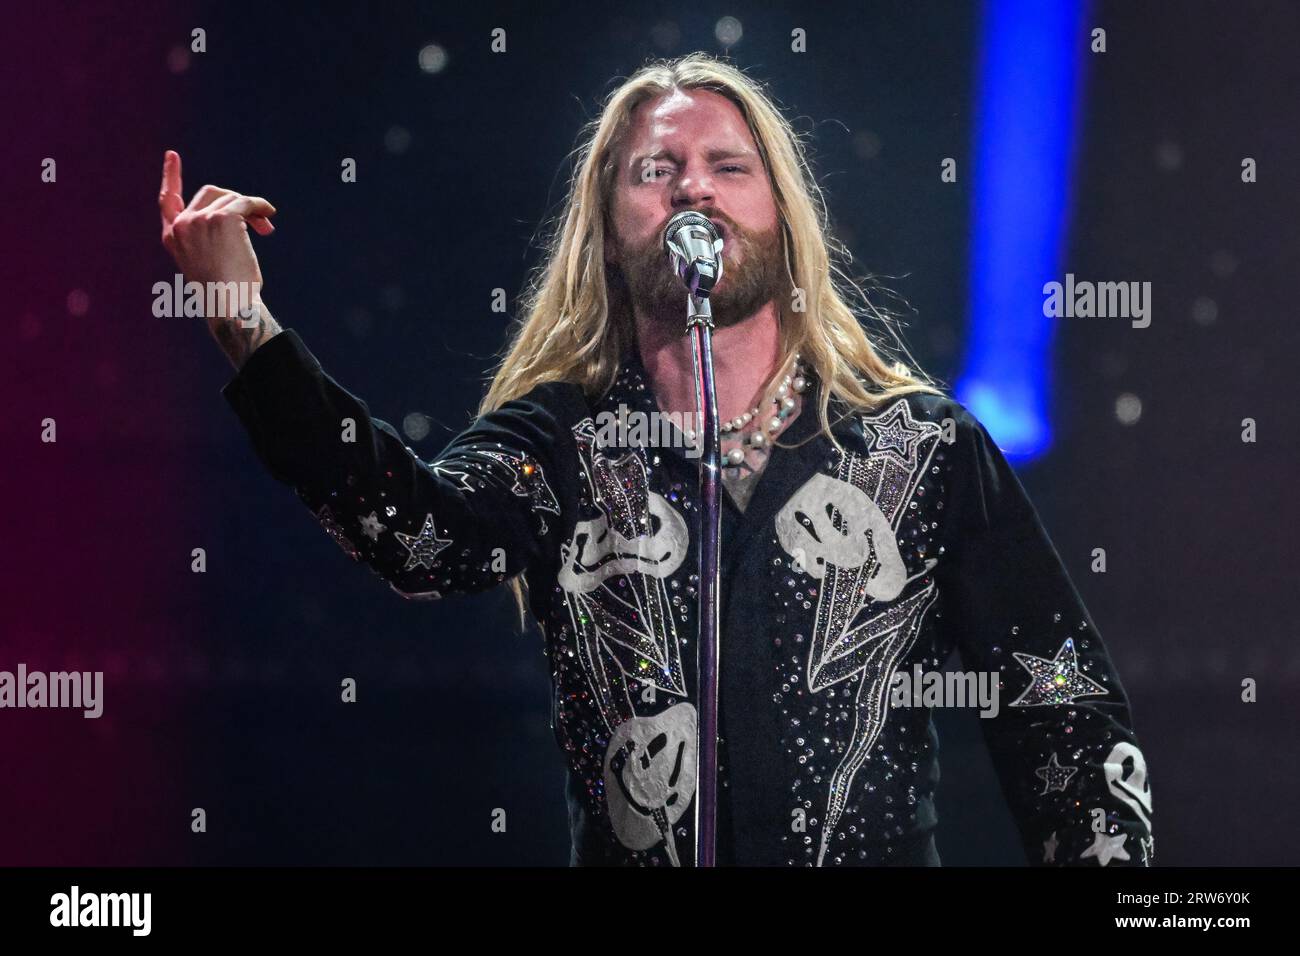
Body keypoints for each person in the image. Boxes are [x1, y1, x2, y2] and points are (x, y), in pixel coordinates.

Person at [158, 53, 1153, 867]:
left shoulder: (920, 446)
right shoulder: (559, 440)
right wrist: (246, 324)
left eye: (728, 165)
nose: (692, 185)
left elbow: (1058, 702)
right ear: (609, 220)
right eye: (656, 168)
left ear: (781, 212)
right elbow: (417, 540)